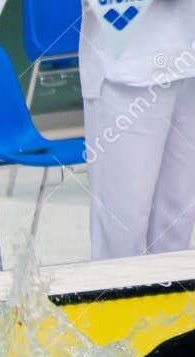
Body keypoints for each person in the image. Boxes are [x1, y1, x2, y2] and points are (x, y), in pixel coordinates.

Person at [81, 0, 195, 260]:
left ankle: (169, 302)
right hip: (126, 68)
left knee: (177, 229)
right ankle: (112, 299)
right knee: (123, 233)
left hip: (189, 60)